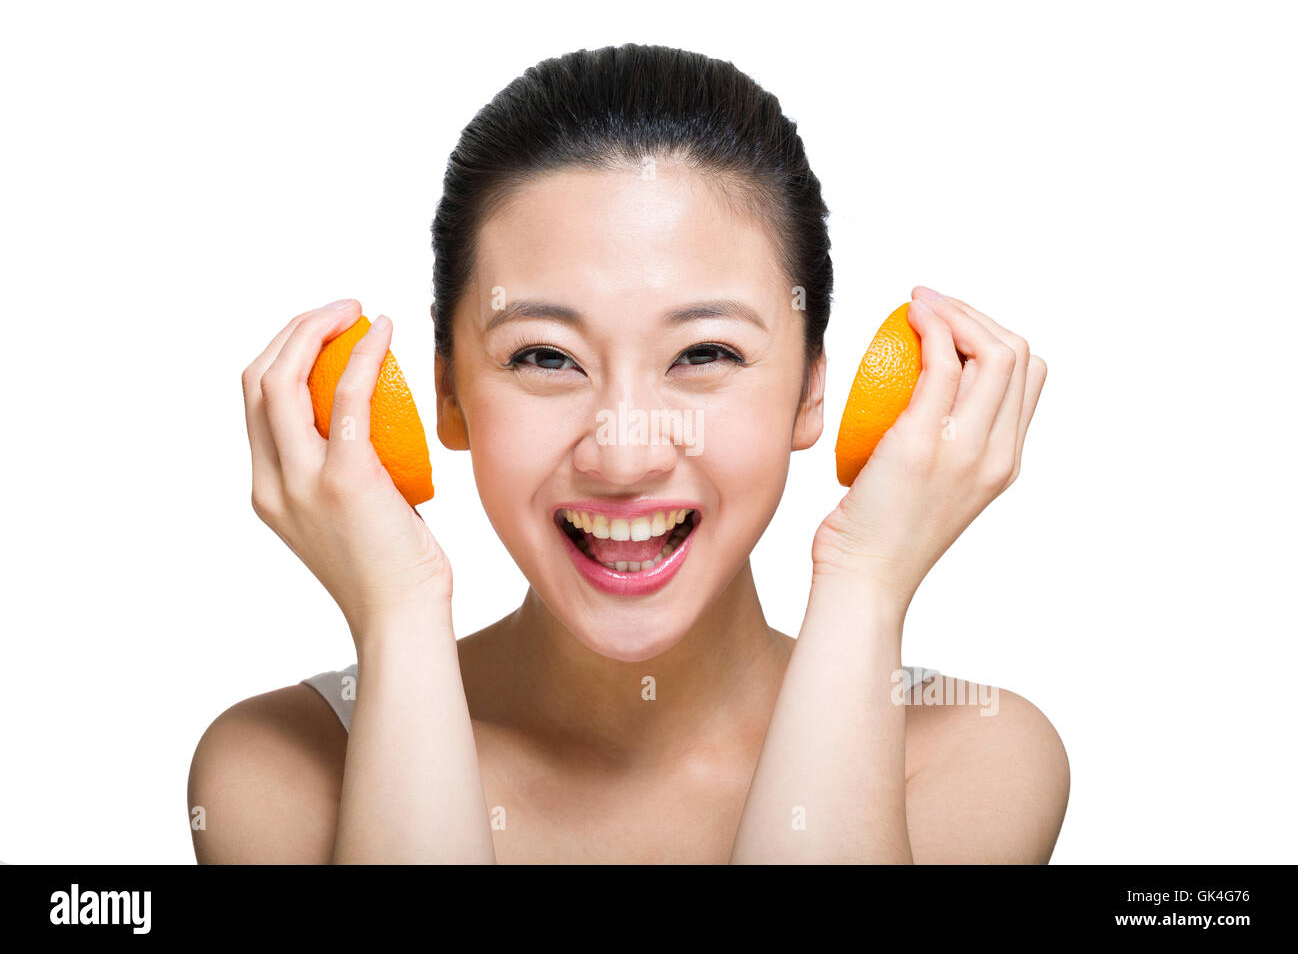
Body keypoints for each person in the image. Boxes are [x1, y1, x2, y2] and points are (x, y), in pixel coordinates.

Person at [188, 43, 1064, 864]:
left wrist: (867, 581)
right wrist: (399, 616)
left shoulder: (972, 757)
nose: (624, 453)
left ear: (810, 391)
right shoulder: (282, 769)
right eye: (544, 358)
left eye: (704, 355)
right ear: (446, 395)